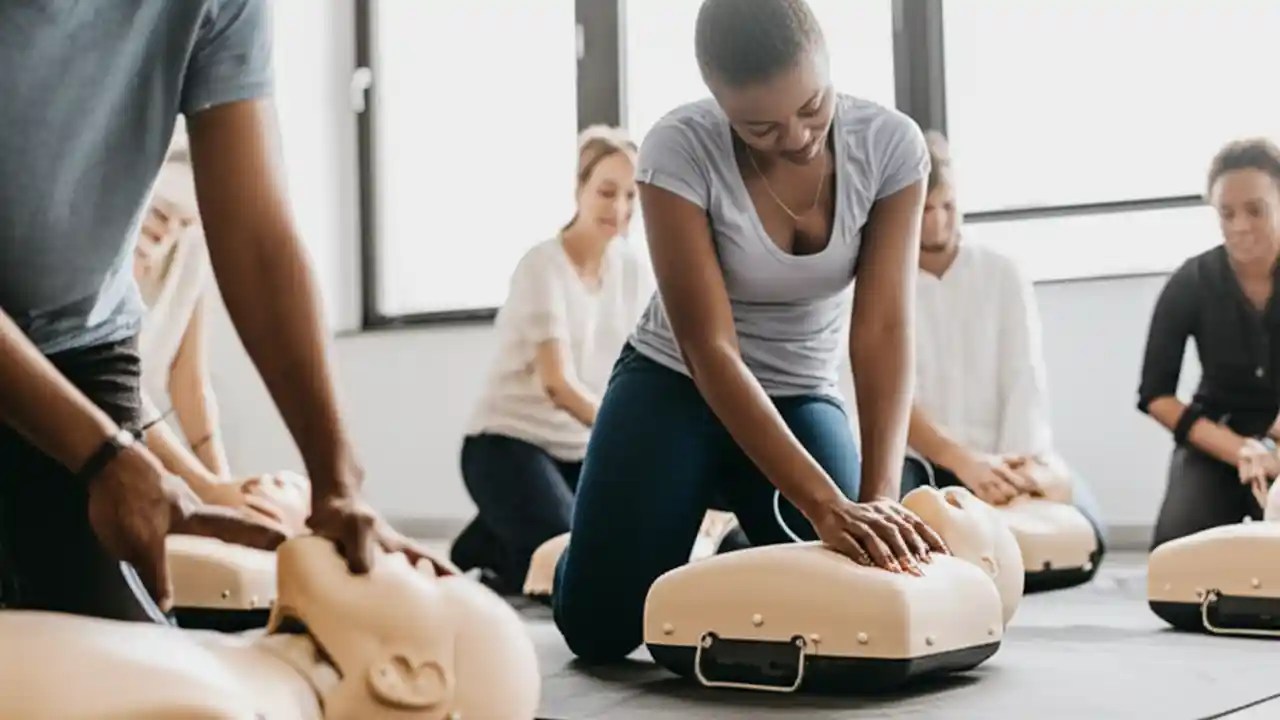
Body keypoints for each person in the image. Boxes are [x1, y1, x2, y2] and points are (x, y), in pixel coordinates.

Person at [0, 0, 443, 624]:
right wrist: (103, 454)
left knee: (131, 672)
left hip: (80, 351)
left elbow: (258, 241)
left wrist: (336, 482)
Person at [552, 0, 949, 663]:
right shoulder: (677, 148)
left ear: (826, 64)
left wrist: (875, 499)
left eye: (812, 107)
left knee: (854, 593)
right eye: (761, 126)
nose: (795, 137)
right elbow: (710, 349)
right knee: (603, 632)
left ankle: (742, 537)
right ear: (718, 101)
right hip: (674, 385)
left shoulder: (892, 146)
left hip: (798, 390)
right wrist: (823, 504)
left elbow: (881, 329)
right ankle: (596, 537)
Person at [450, 126, 653, 593]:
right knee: (572, 564)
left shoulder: (632, 270)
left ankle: (489, 541)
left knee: (628, 548)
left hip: (578, 451)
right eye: (606, 191)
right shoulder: (541, 265)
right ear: (579, 189)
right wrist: (628, 442)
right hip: (507, 444)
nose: (619, 208)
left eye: (630, 196)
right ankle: (506, 539)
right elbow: (557, 383)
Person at [898, 132, 1108, 563]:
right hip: (921, 460)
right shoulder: (880, 282)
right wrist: (964, 463)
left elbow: (1024, 377)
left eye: (947, 206)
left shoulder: (1001, 272)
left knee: (1089, 538)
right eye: (924, 210)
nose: (937, 222)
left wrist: (1010, 472)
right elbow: (887, 396)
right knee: (916, 538)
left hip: (1006, 459)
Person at [134, 148, 310, 534]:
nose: (167, 230)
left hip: (135, 443)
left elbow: (190, 382)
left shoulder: (191, 245)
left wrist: (222, 485)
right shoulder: (103, 248)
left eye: (183, 221)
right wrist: (207, 489)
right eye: (160, 213)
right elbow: (116, 382)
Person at [1139, 138, 1280, 549]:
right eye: (1227, 213)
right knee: (1176, 560)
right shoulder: (1191, 281)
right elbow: (1156, 395)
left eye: (1255, 210)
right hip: (1217, 442)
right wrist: (1241, 450)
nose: (1240, 226)